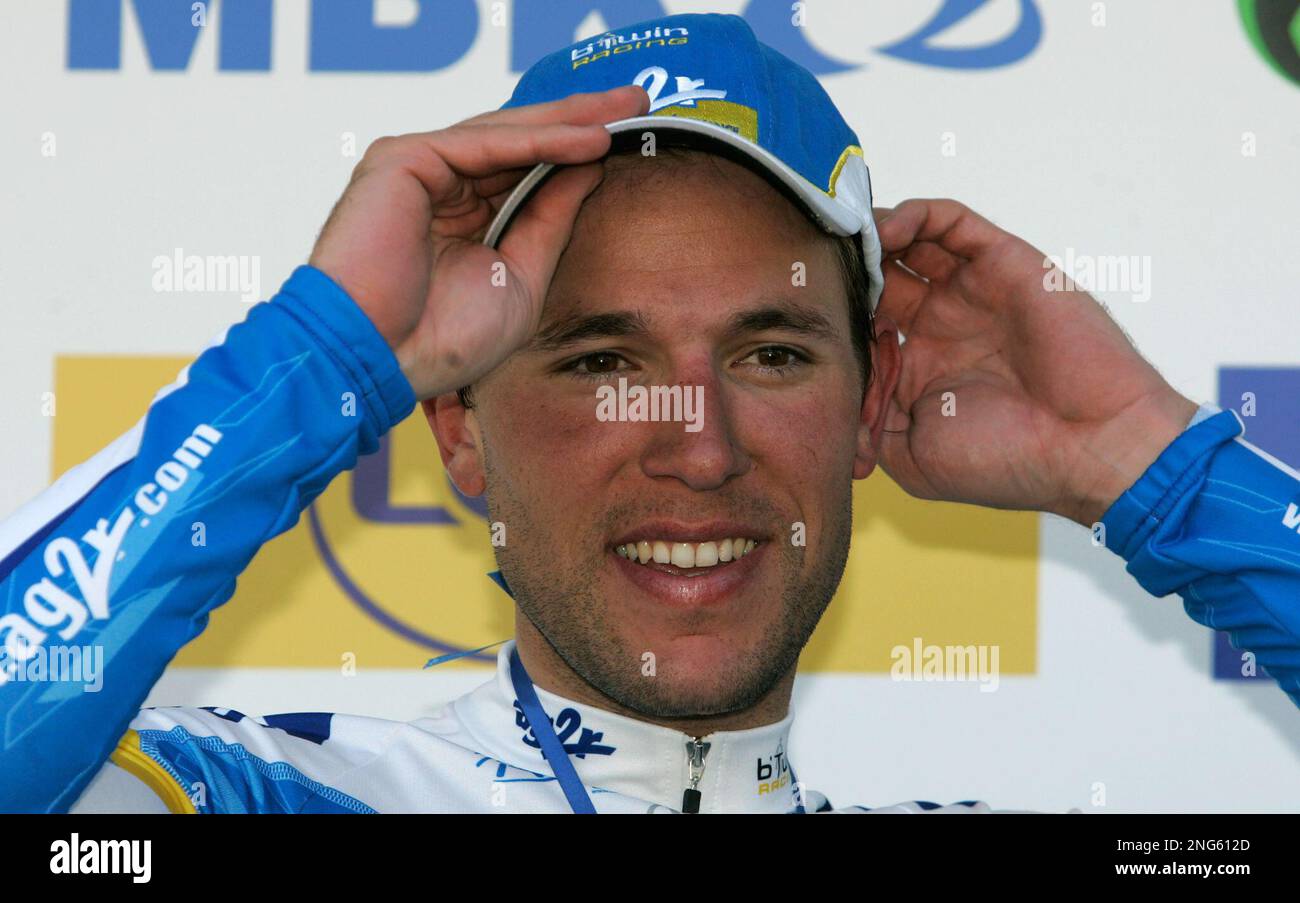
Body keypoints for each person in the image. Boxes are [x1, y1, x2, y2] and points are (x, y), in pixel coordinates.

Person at [1, 13, 1296, 814]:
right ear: (457, 432)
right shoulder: (266, 798)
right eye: (599, 359)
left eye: (773, 353)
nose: (700, 444)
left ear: (867, 412)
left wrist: (1151, 472)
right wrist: (316, 361)